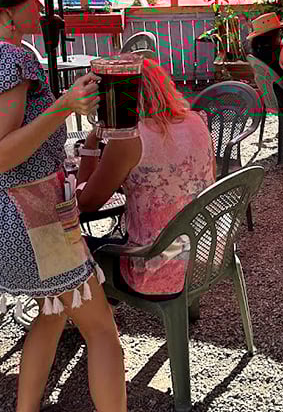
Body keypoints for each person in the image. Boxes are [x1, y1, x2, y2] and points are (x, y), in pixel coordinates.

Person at [0, 0, 166, 412]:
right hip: (34, 227)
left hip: (0, 223)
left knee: (52, 315)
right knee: (103, 331)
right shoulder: (10, 59)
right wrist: (63, 106)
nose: (39, 7)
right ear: (9, 11)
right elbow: (3, 153)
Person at [77, 57, 216, 295]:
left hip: (154, 267)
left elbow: (86, 203)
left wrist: (91, 143)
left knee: (70, 248)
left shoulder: (129, 139)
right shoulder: (196, 120)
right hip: (205, 254)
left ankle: (94, 318)